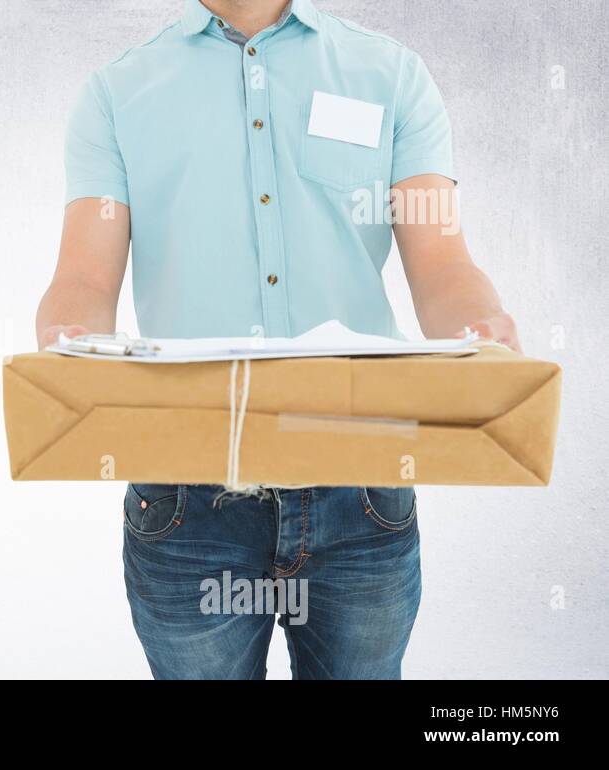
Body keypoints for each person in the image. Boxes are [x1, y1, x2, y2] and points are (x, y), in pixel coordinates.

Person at [35, 0, 520, 679]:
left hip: (361, 485)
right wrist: (71, 338)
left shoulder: (390, 75)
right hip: (187, 499)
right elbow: (84, 276)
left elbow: (442, 267)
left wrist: (481, 328)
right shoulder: (117, 93)